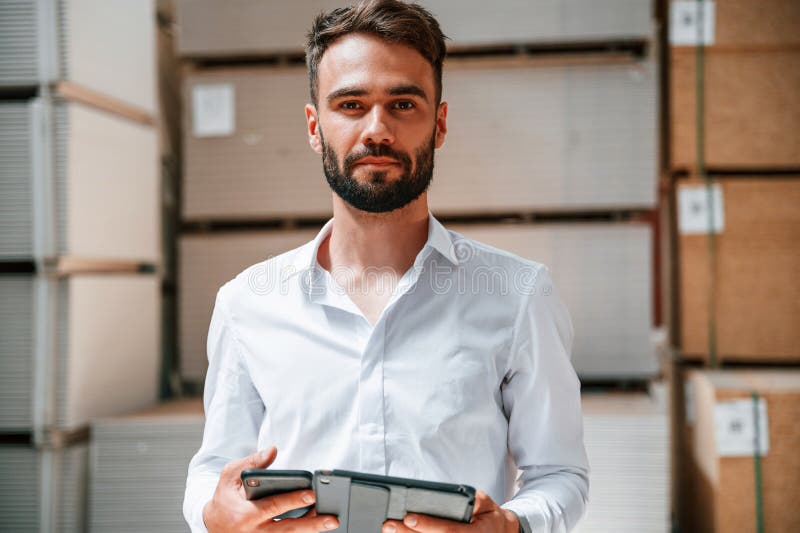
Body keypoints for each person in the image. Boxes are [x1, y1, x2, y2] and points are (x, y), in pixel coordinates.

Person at [183, 1, 589, 532]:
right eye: (351, 104)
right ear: (314, 126)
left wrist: (511, 526)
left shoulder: (517, 295)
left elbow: (560, 474)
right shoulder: (247, 304)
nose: (377, 129)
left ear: (439, 124)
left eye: (403, 104)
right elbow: (214, 471)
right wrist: (213, 514)